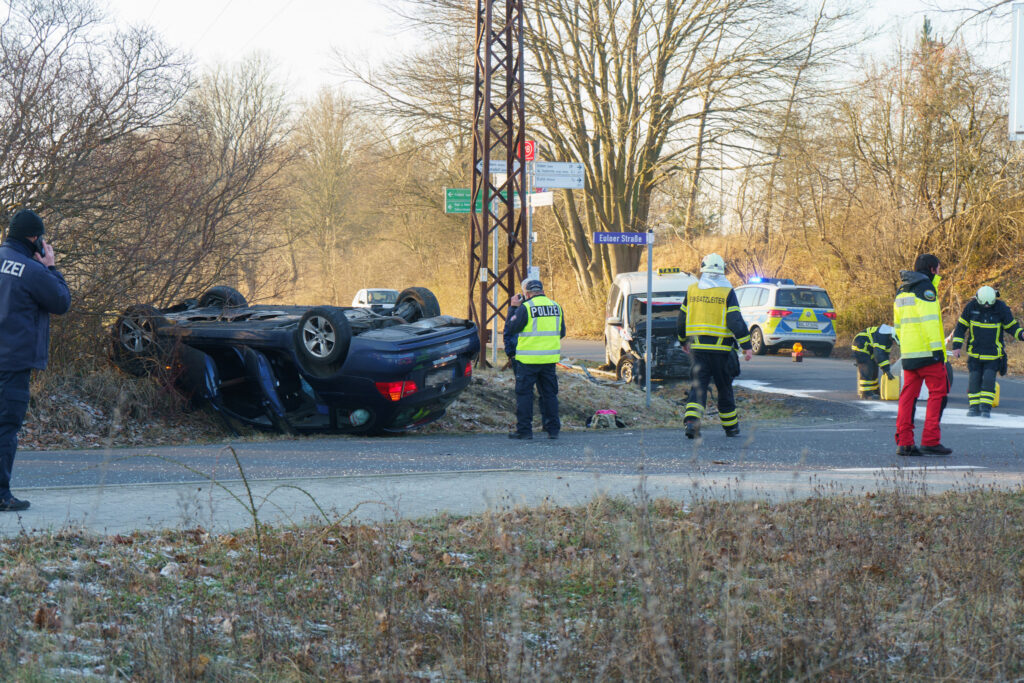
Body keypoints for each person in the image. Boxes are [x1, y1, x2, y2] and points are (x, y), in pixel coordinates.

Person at [0, 209, 71, 511]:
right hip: (12, 362)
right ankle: (1, 495)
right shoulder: (32, 270)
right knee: (5, 427)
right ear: (34, 237)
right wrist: (51, 267)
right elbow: (61, 301)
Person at [676, 253, 753, 439]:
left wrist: (683, 340)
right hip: (722, 352)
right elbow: (734, 320)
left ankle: (692, 423)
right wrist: (746, 345)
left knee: (698, 387)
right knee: (724, 388)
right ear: (722, 271)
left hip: (698, 351)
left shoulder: (693, 290)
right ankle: (731, 428)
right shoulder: (727, 292)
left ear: (703, 270)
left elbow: (682, 318)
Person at [892, 254, 951, 456]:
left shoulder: (902, 291)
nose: (940, 272)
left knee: (907, 397)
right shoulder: (926, 289)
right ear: (932, 269)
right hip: (929, 353)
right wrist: (938, 352)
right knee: (938, 394)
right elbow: (931, 322)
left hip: (909, 354)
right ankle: (930, 440)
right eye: (939, 268)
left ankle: (905, 442)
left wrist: (906, 348)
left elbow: (898, 327)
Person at [503, 279, 566, 440]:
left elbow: (511, 328)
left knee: (525, 395)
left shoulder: (526, 308)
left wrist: (513, 308)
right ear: (542, 291)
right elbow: (562, 332)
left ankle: (524, 431)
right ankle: (553, 430)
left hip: (528, 361)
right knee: (550, 394)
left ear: (526, 293)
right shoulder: (556, 306)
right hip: (549, 360)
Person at [951, 286, 1024, 417]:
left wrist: (1021, 334)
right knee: (974, 380)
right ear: (977, 299)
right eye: (983, 305)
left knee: (989, 380)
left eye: (988, 305)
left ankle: (986, 408)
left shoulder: (1000, 308)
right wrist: (956, 346)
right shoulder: (971, 307)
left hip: (993, 354)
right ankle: (974, 407)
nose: (986, 307)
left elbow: (1011, 326)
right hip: (975, 354)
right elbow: (961, 327)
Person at [851, 324, 896, 399]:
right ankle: (865, 393)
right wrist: (886, 369)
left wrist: (886, 369)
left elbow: (885, 355)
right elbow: (879, 355)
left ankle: (874, 390)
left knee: (874, 369)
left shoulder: (888, 340)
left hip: (869, 349)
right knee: (867, 368)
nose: (894, 341)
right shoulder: (882, 337)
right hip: (860, 346)